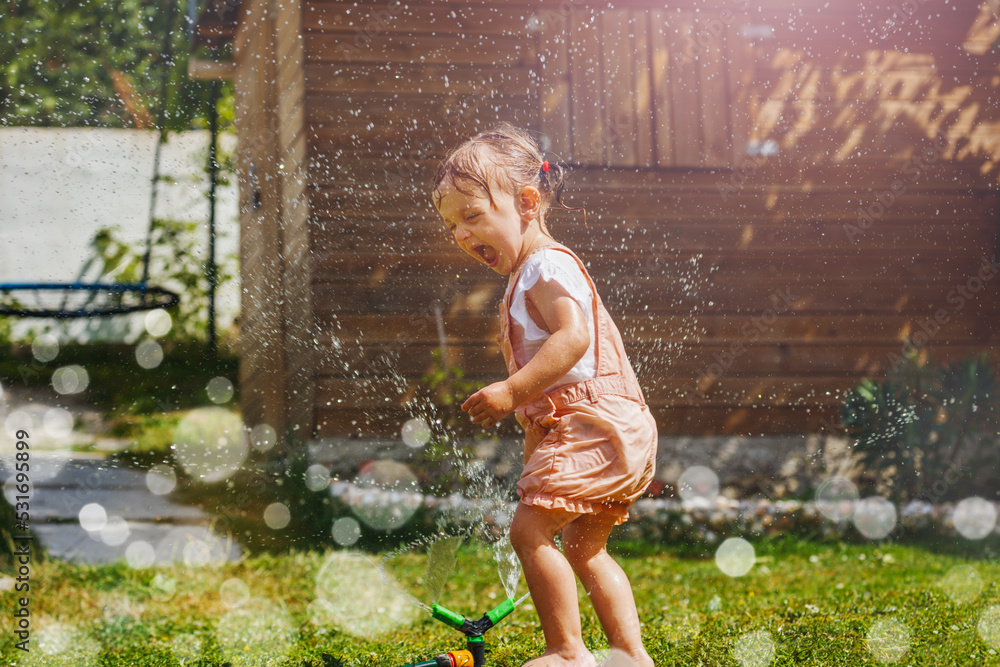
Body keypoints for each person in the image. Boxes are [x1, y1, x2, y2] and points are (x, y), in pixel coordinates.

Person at [431, 123, 658, 667]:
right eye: (451, 226)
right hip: (609, 427)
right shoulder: (529, 274)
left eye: (473, 216)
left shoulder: (545, 266)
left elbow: (573, 337)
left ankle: (567, 652)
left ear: (528, 202)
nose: (462, 234)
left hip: (596, 423)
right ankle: (629, 655)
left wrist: (511, 390)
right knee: (584, 547)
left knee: (529, 531)